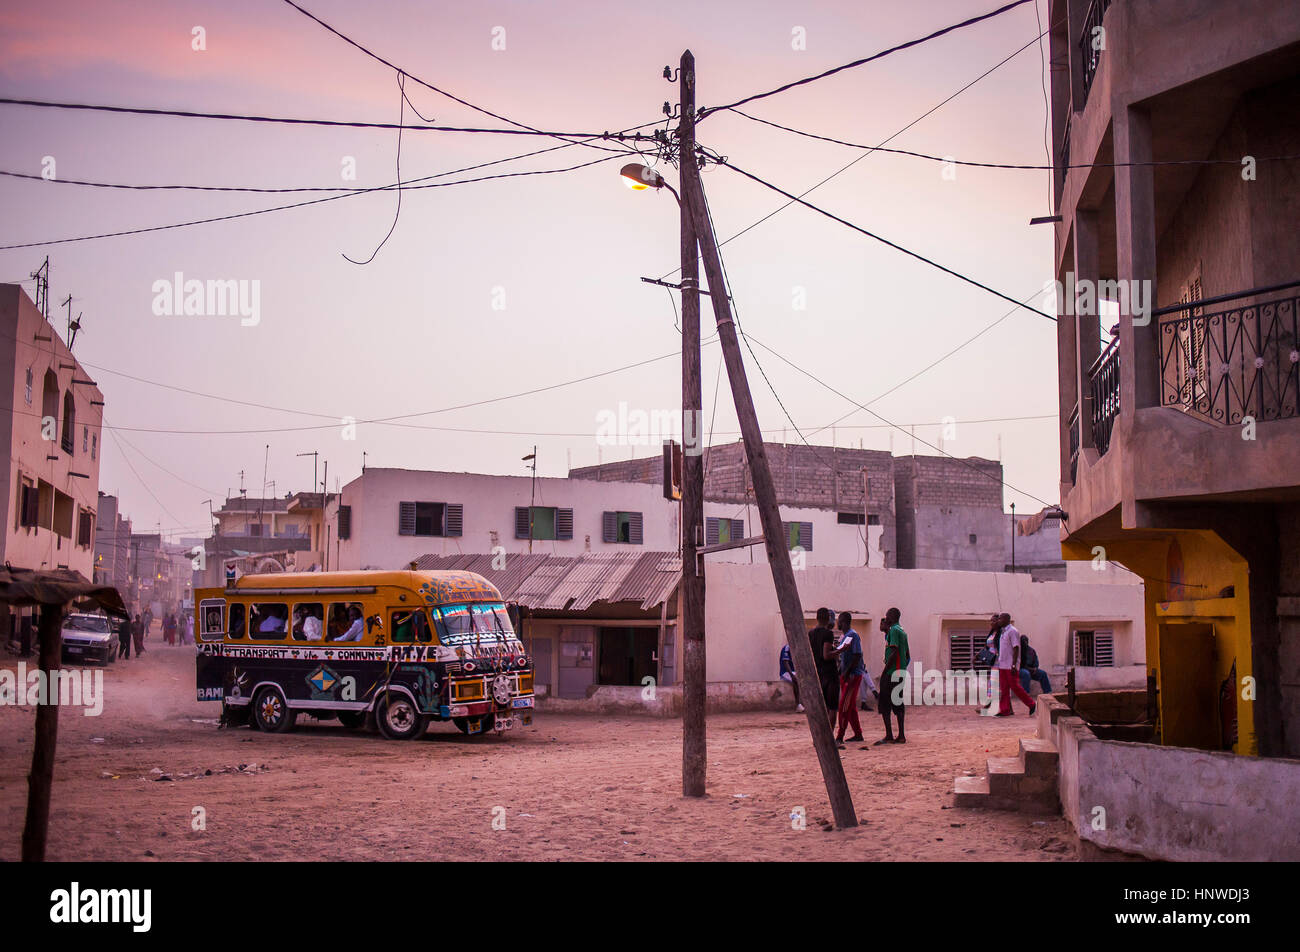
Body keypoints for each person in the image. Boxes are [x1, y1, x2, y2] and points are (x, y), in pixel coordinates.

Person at [828, 611, 865, 747]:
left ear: (843, 621)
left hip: (852, 675)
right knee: (850, 706)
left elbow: (857, 655)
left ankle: (840, 736)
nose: (837, 622)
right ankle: (858, 734)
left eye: (839, 620)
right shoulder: (845, 636)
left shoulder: (853, 636)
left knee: (843, 706)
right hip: (846, 674)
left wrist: (848, 672)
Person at [878, 607, 911, 744]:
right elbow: (907, 655)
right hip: (900, 671)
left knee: (884, 703)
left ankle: (889, 734)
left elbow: (894, 652)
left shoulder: (894, 631)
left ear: (891, 617)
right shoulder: (902, 631)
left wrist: (885, 671)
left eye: (886, 616)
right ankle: (901, 734)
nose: (885, 618)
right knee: (898, 703)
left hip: (892, 673)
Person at [995, 612, 1037, 716]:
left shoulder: (1013, 631)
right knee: (1004, 688)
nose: (998, 620)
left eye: (1000, 619)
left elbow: (1016, 648)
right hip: (1002, 665)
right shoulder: (1002, 632)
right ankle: (1004, 710)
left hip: (1010, 665)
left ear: (1007, 619)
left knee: (1015, 686)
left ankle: (1031, 704)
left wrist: (1014, 664)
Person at [808, 608, 840, 723]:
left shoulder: (811, 633)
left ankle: (822, 735)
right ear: (828, 619)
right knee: (832, 707)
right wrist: (840, 650)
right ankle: (830, 737)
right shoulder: (828, 634)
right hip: (829, 673)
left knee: (823, 706)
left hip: (818, 673)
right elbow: (826, 655)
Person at [778, 642, 803, 712]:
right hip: (786, 671)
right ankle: (798, 704)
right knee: (796, 679)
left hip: (795, 671)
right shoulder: (786, 648)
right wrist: (792, 675)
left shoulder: (797, 648)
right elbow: (785, 663)